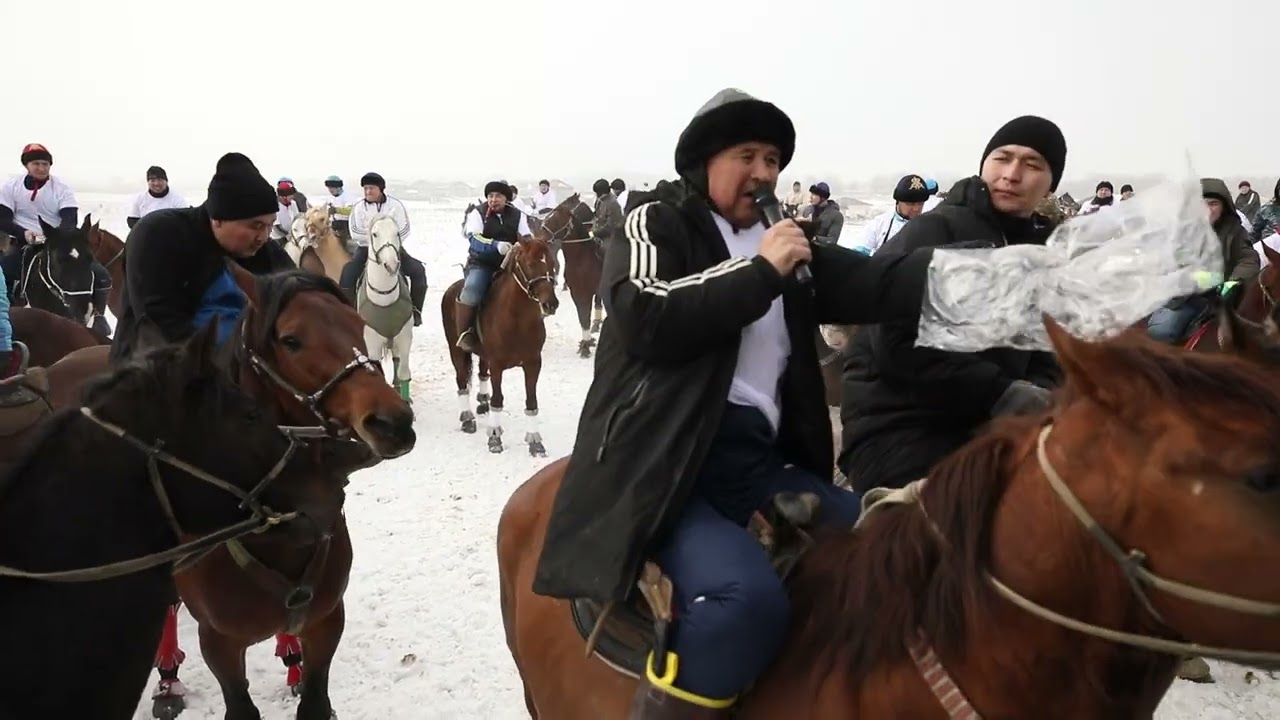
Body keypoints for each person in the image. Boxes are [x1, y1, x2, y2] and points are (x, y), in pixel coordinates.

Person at [532, 87, 943, 717]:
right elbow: (643, 314)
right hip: (664, 469)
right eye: (746, 155)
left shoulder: (783, 240)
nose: (764, 172)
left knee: (901, 555)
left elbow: (878, 281)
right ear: (705, 162)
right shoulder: (655, 221)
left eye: (773, 159)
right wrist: (760, 272)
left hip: (755, 464)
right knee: (745, 601)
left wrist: (995, 275)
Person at [838, 116, 1068, 496]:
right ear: (984, 165)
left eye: (1032, 164)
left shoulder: (1040, 253)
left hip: (990, 425)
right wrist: (999, 392)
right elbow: (897, 343)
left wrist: (1041, 393)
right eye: (1002, 158)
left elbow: (1047, 348)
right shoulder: (937, 230)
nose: (1011, 175)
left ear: (1051, 183)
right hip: (901, 427)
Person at [110, 152, 296, 361]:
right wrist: (226, 364)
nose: (264, 236)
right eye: (256, 226)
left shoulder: (264, 249)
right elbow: (159, 323)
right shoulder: (158, 236)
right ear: (217, 219)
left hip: (245, 367)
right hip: (156, 368)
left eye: (270, 225)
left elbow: (300, 292)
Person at [0, 143, 111, 318]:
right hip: (24, 242)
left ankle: (98, 317)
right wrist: (24, 233)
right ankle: (6, 315)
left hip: (57, 241)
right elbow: (3, 219)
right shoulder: (11, 187)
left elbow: (69, 218)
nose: (41, 168)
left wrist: (58, 235)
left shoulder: (61, 188)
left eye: (45, 164)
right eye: (36, 164)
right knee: (4, 271)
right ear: (26, 165)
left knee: (101, 274)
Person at [1146, 178, 1259, 343]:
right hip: (1187, 298)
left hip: (1226, 298)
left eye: (1214, 204)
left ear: (1224, 206)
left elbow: (1248, 259)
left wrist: (1234, 281)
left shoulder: (1235, 231)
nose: (1208, 210)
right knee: (1161, 331)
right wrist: (1205, 278)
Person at [342, 172, 427, 326]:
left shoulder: (395, 205)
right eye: (365, 188)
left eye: (371, 188)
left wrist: (389, 241)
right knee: (347, 274)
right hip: (366, 249)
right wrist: (377, 237)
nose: (368, 192)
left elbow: (404, 229)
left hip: (393, 249)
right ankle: (350, 315)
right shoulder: (359, 207)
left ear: (381, 189)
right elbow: (355, 232)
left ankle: (415, 311)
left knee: (418, 271)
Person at [456, 180, 531, 354]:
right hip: (482, 263)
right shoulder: (478, 213)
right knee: (472, 289)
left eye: (498, 196)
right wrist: (496, 245)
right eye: (490, 196)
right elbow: (474, 238)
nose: (493, 200)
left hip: (511, 263)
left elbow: (526, 235)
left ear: (506, 199)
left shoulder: (518, 214)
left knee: (534, 283)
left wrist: (525, 244)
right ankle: (466, 332)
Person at [852, 174, 930, 255]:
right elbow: (859, 252)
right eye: (910, 204)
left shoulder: (928, 226)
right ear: (898, 202)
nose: (916, 209)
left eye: (920, 204)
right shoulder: (880, 224)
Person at [321, 175, 357, 245]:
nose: (330, 190)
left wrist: (336, 210)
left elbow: (350, 211)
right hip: (333, 226)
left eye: (332, 188)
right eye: (329, 188)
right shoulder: (329, 198)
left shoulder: (347, 196)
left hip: (346, 226)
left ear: (338, 187)